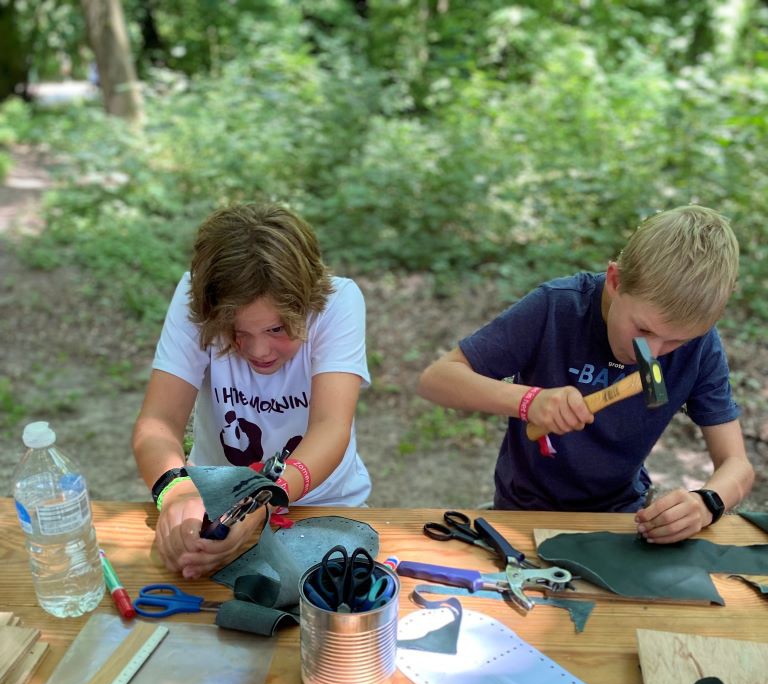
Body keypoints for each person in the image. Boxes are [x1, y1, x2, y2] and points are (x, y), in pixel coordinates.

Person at [417, 205, 754, 544]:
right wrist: (527, 401)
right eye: (643, 329)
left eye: (676, 341)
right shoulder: (557, 309)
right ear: (615, 281)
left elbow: (737, 464)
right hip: (523, 511)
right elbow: (436, 380)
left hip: (624, 517)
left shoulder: (700, 348)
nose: (653, 352)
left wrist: (707, 502)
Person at [132, 202, 371, 579]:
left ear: (308, 302)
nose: (258, 351)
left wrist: (264, 503)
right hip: (212, 506)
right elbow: (159, 421)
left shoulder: (338, 302)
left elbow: (330, 426)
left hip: (327, 506)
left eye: (277, 330)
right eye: (237, 332)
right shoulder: (193, 299)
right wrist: (174, 491)